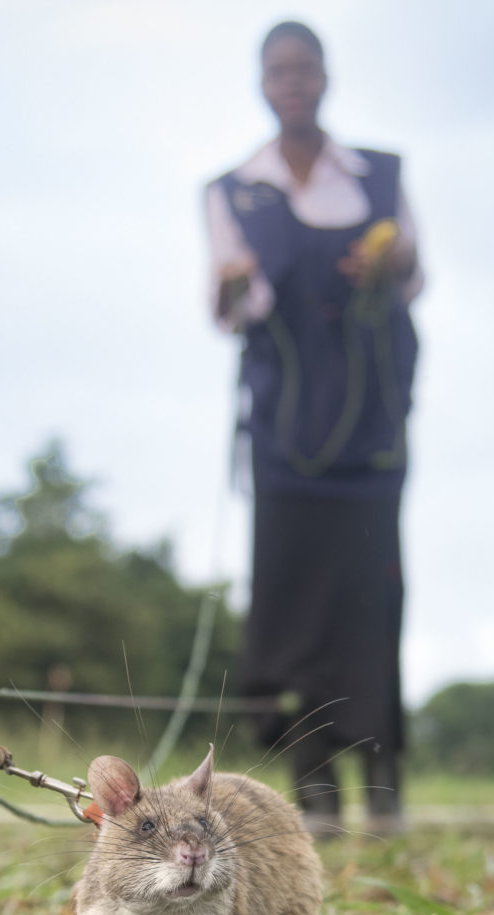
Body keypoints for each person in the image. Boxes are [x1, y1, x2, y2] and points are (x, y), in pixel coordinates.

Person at [206, 19, 423, 836]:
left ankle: (386, 782)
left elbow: (415, 274)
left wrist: (391, 259)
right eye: (278, 71)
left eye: (305, 68)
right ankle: (317, 792)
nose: (292, 82)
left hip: (371, 428)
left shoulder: (381, 177)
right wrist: (231, 283)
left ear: (325, 77)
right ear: (263, 83)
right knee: (292, 605)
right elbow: (232, 311)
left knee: (373, 598)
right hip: (286, 435)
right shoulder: (233, 190)